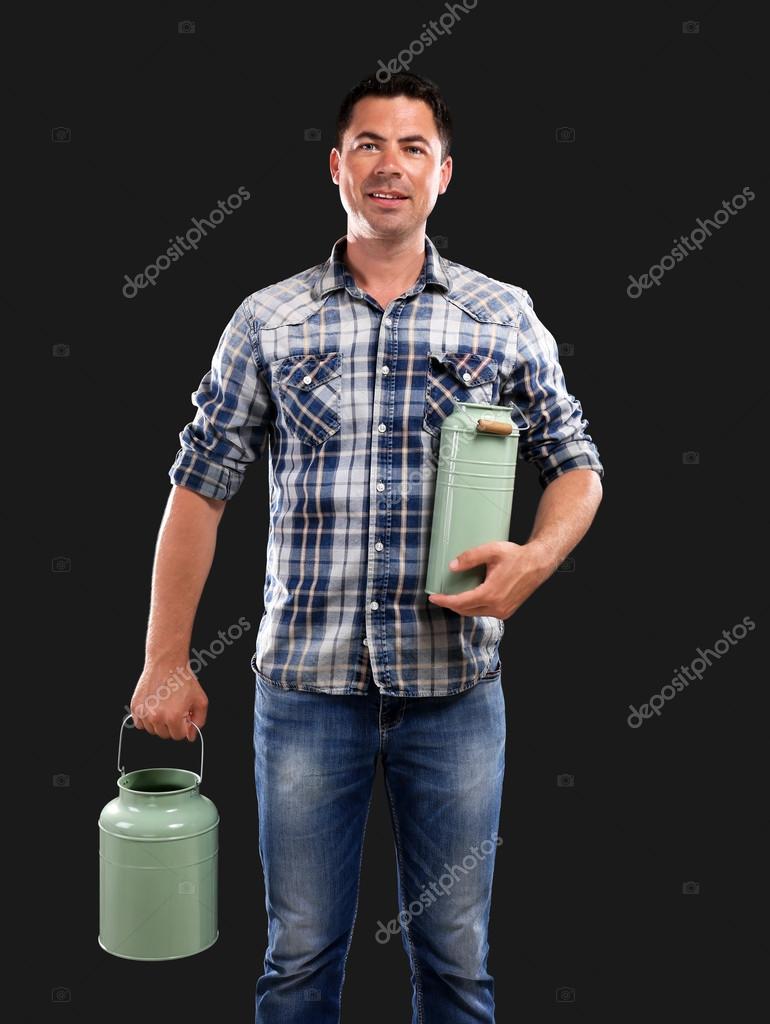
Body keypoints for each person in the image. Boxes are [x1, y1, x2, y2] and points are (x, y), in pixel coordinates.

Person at [130, 71, 604, 1024]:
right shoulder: (268, 320)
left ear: (446, 173)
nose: (391, 164)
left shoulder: (501, 313)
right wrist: (164, 663)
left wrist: (538, 558)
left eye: (414, 146)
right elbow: (199, 491)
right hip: (307, 696)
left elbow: (578, 462)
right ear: (336, 167)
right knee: (299, 959)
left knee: (457, 961)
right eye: (371, 145)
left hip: (455, 695)